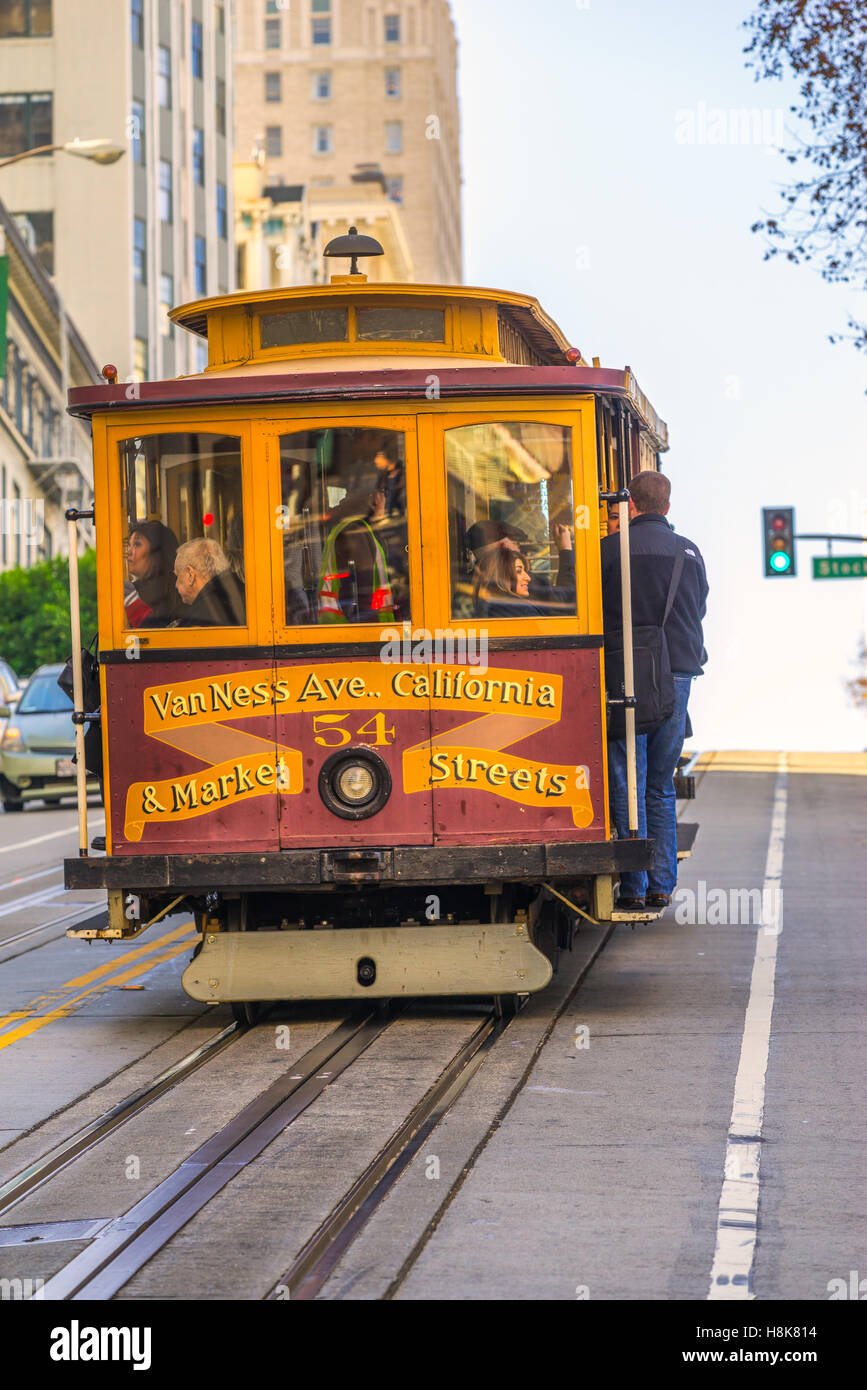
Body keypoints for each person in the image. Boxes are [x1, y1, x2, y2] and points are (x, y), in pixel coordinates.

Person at [601, 470, 708, 910]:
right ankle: (662, 883)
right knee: (660, 785)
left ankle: (633, 886)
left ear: (631, 504)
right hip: (678, 676)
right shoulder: (690, 552)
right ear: (666, 507)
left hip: (624, 674)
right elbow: (699, 607)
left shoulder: (608, 551)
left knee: (629, 778)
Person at [473, 524, 575, 617]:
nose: (528, 578)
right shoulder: (518, 610)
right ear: (503, 546)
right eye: (517, 543)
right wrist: (566, 549)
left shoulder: (493, 604)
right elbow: (563, 598)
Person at [174, 538, 246, 626]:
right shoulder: (249, 597)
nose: (176, 585)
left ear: (190, 574)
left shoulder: (199, 618)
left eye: (178, 576)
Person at [124, 521, 181, 627]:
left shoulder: (181, 592)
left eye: (137, 544)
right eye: (129, 545)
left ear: (157, 553)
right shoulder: (132, 590)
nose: (129, 551)